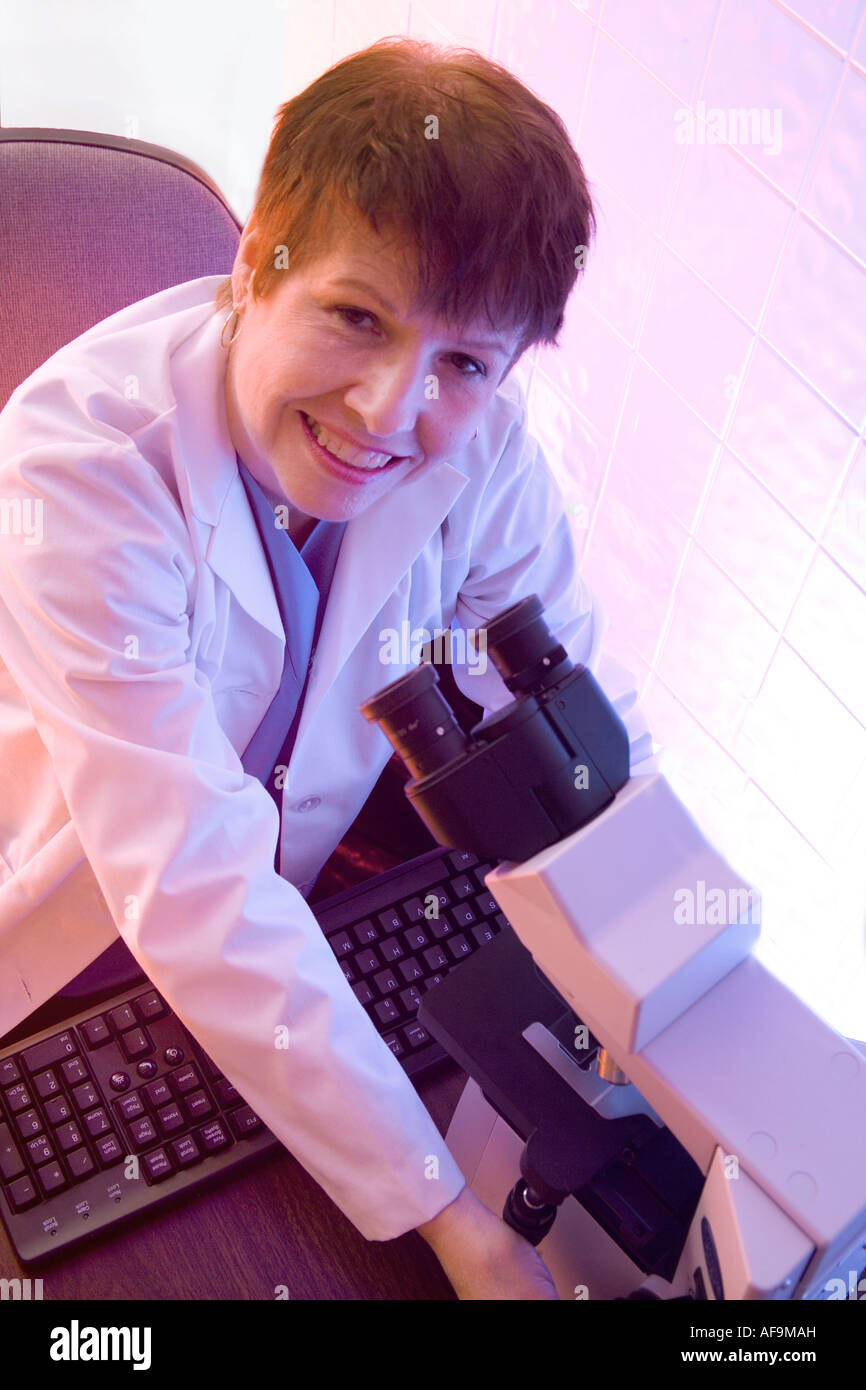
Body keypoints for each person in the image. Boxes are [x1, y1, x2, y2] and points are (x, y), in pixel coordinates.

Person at [0, 37, 654, 1298]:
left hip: (282, 893)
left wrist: (651, 977)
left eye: (464, 361)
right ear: (254, 266)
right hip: (78, 917)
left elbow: (579, 704)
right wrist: (454, 1222)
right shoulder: (76, 480)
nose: (386, 409)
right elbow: (194, 886)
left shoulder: (481, 446)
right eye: (356, 316)